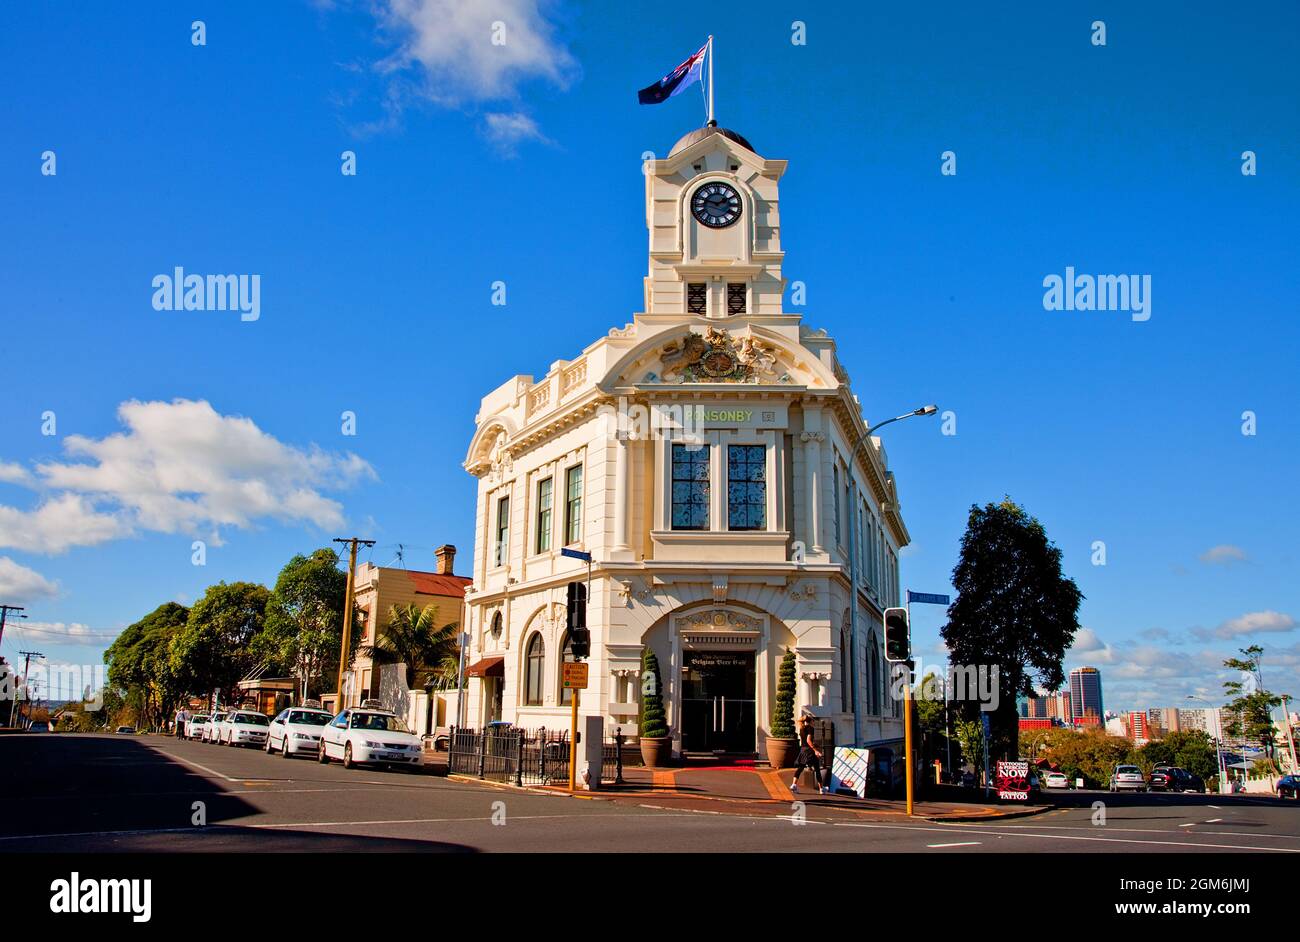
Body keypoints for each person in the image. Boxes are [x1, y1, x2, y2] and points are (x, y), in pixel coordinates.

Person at [790, 713, 829, 794]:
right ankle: (822, 789)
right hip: (809, 751)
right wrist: (815, 750)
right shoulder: (810, 728)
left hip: (803, 750)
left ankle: (794, 785)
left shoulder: (802, 728)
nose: (813, 722)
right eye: (813, 721)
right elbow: (808, 740)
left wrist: (814, 745)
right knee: (817, 769)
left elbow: (805, 741)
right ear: (810, 721)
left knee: (800, 768)